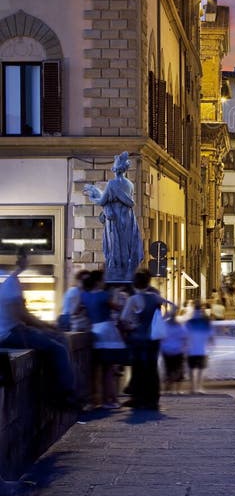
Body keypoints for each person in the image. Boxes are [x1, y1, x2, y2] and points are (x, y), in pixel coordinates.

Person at [0, 248, 78, 409]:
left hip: (14, 329)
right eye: (25, 259)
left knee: (60, 339)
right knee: (58, 349)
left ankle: (63, 389)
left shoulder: (12, 282)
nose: (27, 262)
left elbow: (23, 313)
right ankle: (65, 394)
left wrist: (47, 326)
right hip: (9, 333)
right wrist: (44, 327)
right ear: (20, 261)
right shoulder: (11, 284)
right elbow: (22, 315)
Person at [84, 152, 144, 283]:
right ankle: (125, 272)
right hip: (127, 219)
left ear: (115, 169)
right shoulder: (130, 184)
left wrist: (93, 195)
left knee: (114, 246)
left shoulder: (112, 184)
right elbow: (126, 200)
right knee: (126, 246)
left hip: (115, 220)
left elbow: (102, 201)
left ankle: (116, 273)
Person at [120, 269, 175, 410]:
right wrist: (164, 319)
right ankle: (153, 398)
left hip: (138, 338)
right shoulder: (155, 297)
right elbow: (174, 307)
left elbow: (124, 319)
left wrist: (133, 326)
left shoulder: (133, 299)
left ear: (135, 284)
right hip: (153, 338)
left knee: (138, 368)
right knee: (152, 368)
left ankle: (139, 398)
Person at [80, 270, 126, 408]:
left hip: (94, 331)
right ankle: (110, 399)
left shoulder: (84, 296)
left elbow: (77, 311)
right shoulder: (104, 295)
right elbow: (118, 308)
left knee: (95, 369)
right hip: (107, 332)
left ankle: (95, 400)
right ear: (98, 281)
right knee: (108, 369)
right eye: (103, 279)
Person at [185, 302, 213, 394]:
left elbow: (185, 335)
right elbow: (211, 336)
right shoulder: (205, 322)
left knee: (192, 369)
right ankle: (199, 387)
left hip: (191, 349)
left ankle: (193, 388)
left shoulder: (190, 321)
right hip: (202, 350)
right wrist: (211, 345)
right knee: (201, 369)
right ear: (201, 309)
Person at [160, 309, 188, 395]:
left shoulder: (164, 325)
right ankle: (177, 390)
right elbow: (184, 338)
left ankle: (168, 389)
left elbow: (161, 337)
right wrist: (185, 349)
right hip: (177, 350)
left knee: (168, 369)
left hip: (166, 350)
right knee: (178, 369)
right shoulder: (179, 326)